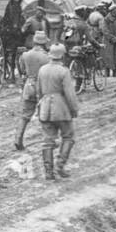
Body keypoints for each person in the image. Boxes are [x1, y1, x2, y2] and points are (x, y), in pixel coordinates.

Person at [35, 43, 79, 179]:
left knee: (47, 140)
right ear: (62, 56)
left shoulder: (42, 69)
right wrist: (74, 110)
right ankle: (60, 166)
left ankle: (48, 172)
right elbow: (70, 94)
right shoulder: (64, 71)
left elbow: (39, 91)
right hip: (62, 109)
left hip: (45, 108)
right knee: (68, 137)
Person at [15, 31, 52, 150]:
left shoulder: (25, 55)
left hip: (29, 85)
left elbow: (22, 69)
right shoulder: (47, 57)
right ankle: (48, 141)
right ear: (44, 43)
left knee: (25, 115)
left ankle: (18, 139)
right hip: (42, 86)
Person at [100, 4, 116, 77]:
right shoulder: (106, 19)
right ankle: (107, 72)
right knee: (108, 56)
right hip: (108, 41)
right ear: (112, 11)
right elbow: (105, 31)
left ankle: (115, 72)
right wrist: (113, 38)